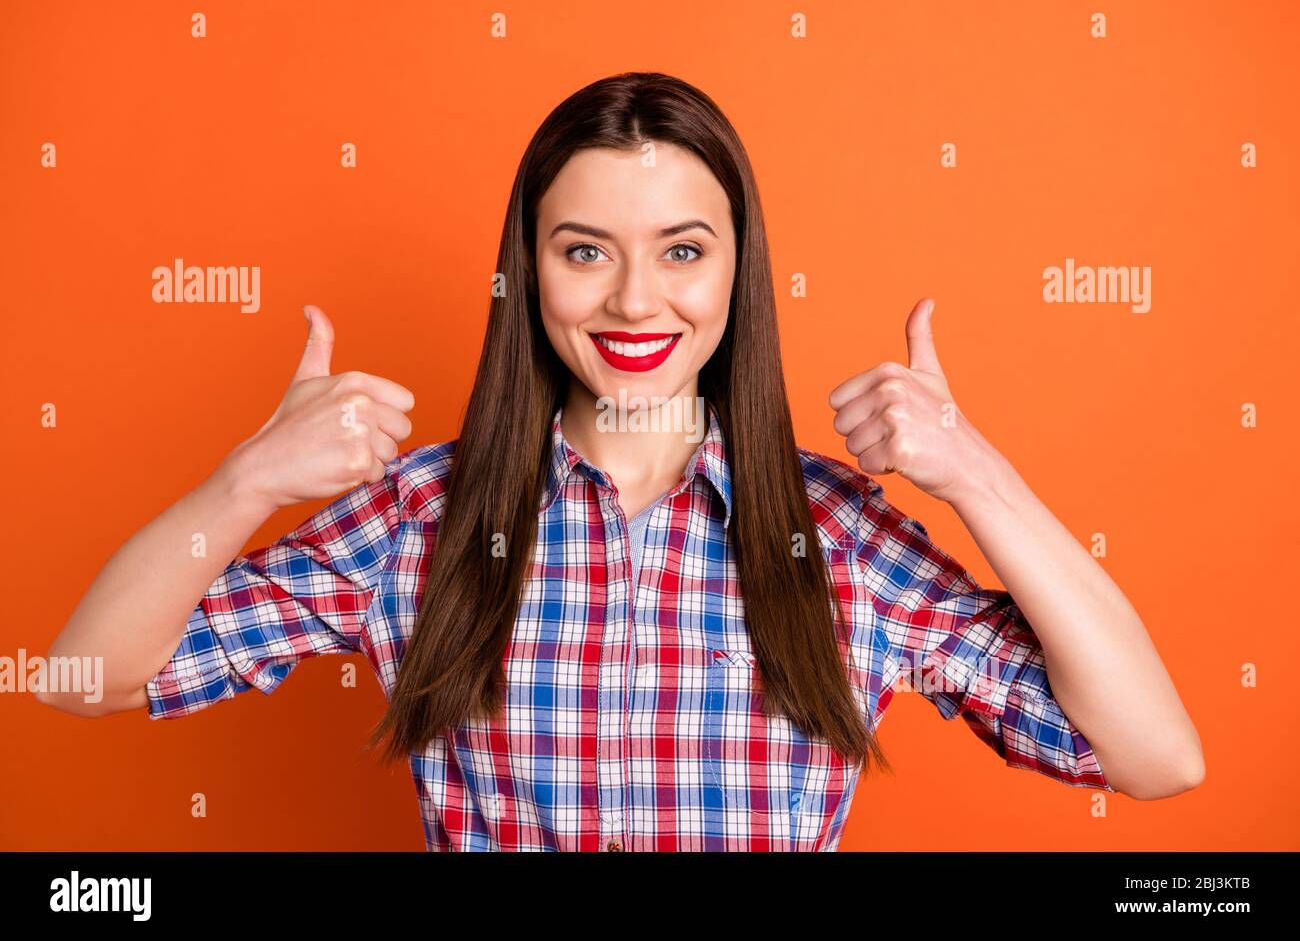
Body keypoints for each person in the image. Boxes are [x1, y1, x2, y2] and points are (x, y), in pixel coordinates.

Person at [38, 71, 1203, 851]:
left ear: (737, 270)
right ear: (527, 271)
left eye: (682, 250)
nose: (635, 298)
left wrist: (974, 476)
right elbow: (85, 678)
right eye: (585, 249)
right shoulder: (419, 518)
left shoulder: (836, 532)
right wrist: (247, 480)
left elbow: (1152, 757)